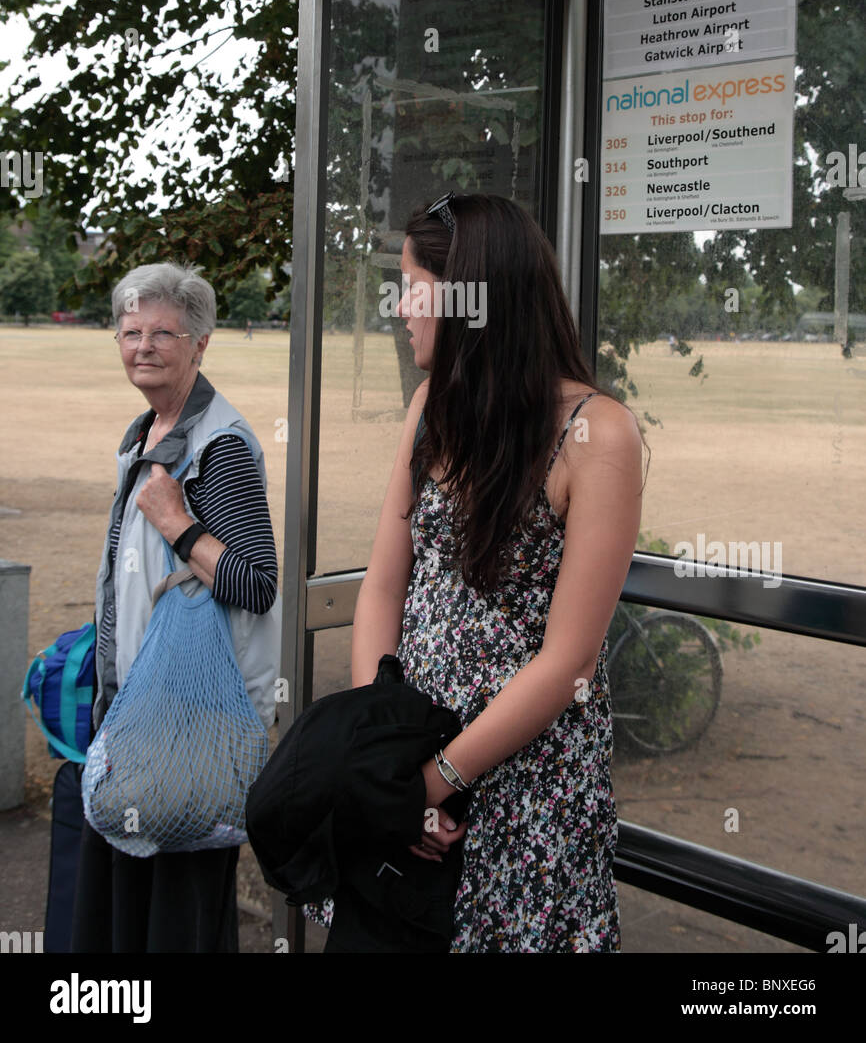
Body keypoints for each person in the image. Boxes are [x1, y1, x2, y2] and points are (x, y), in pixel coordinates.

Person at [344, 192, 644, 952]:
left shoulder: (596, 435)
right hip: (410, 759)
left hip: (524, 785)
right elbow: (385, 581)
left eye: (414, 287)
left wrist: (435, 782)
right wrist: (382, 751)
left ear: (471, 297)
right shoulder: (430, 409)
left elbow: (568, 660)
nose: (402, 308)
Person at [71, 261, 280, 953]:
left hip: (194, 723)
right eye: (130, 332)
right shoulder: (148, 433)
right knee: (130, 916)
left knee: (177, 925)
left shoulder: (218, 448)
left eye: (164, 332)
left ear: (200, 342)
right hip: (144, 719)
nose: (144, 346)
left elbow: (254, 582)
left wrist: (177, 525)